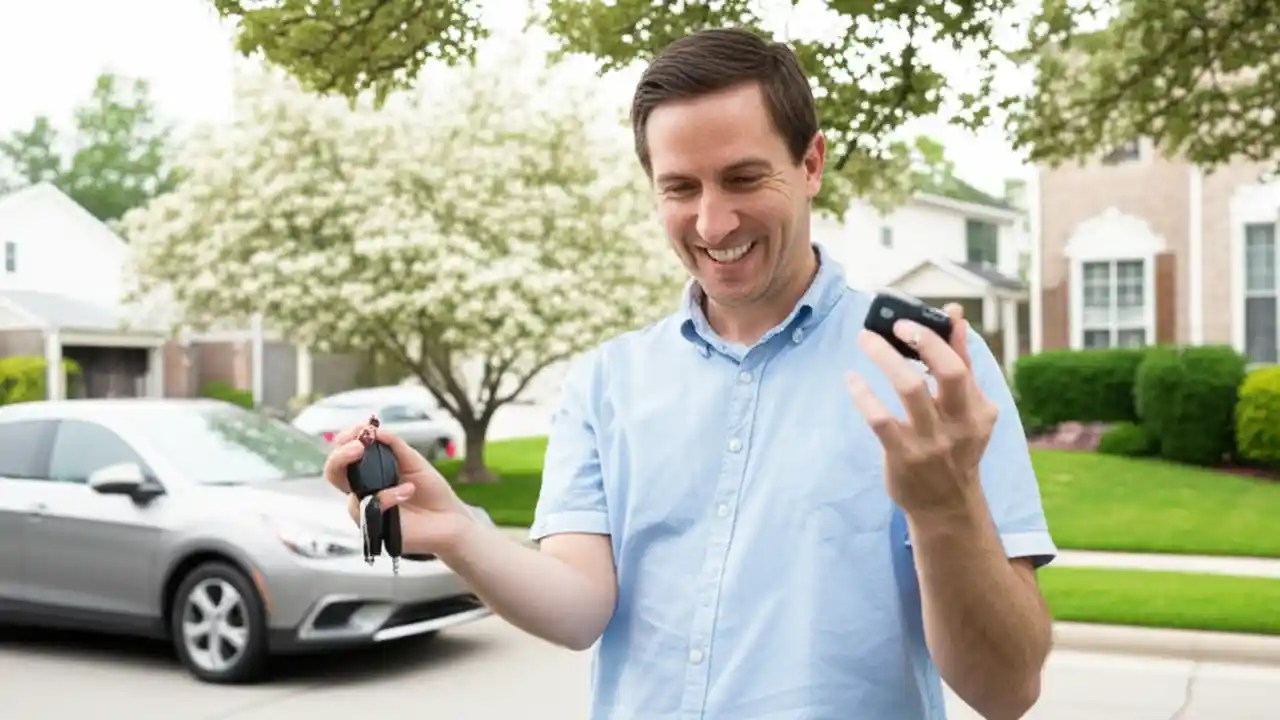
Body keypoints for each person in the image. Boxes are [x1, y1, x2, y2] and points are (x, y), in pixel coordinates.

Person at [324, 26, 1058, 720]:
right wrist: (457, 531)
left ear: (811, 164)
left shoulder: (930, 372)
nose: (712, 224)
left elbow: (1005, 690)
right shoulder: (609, 382)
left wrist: (944, 505)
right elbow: (581, 609)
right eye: (680, 188)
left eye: (743, 178)